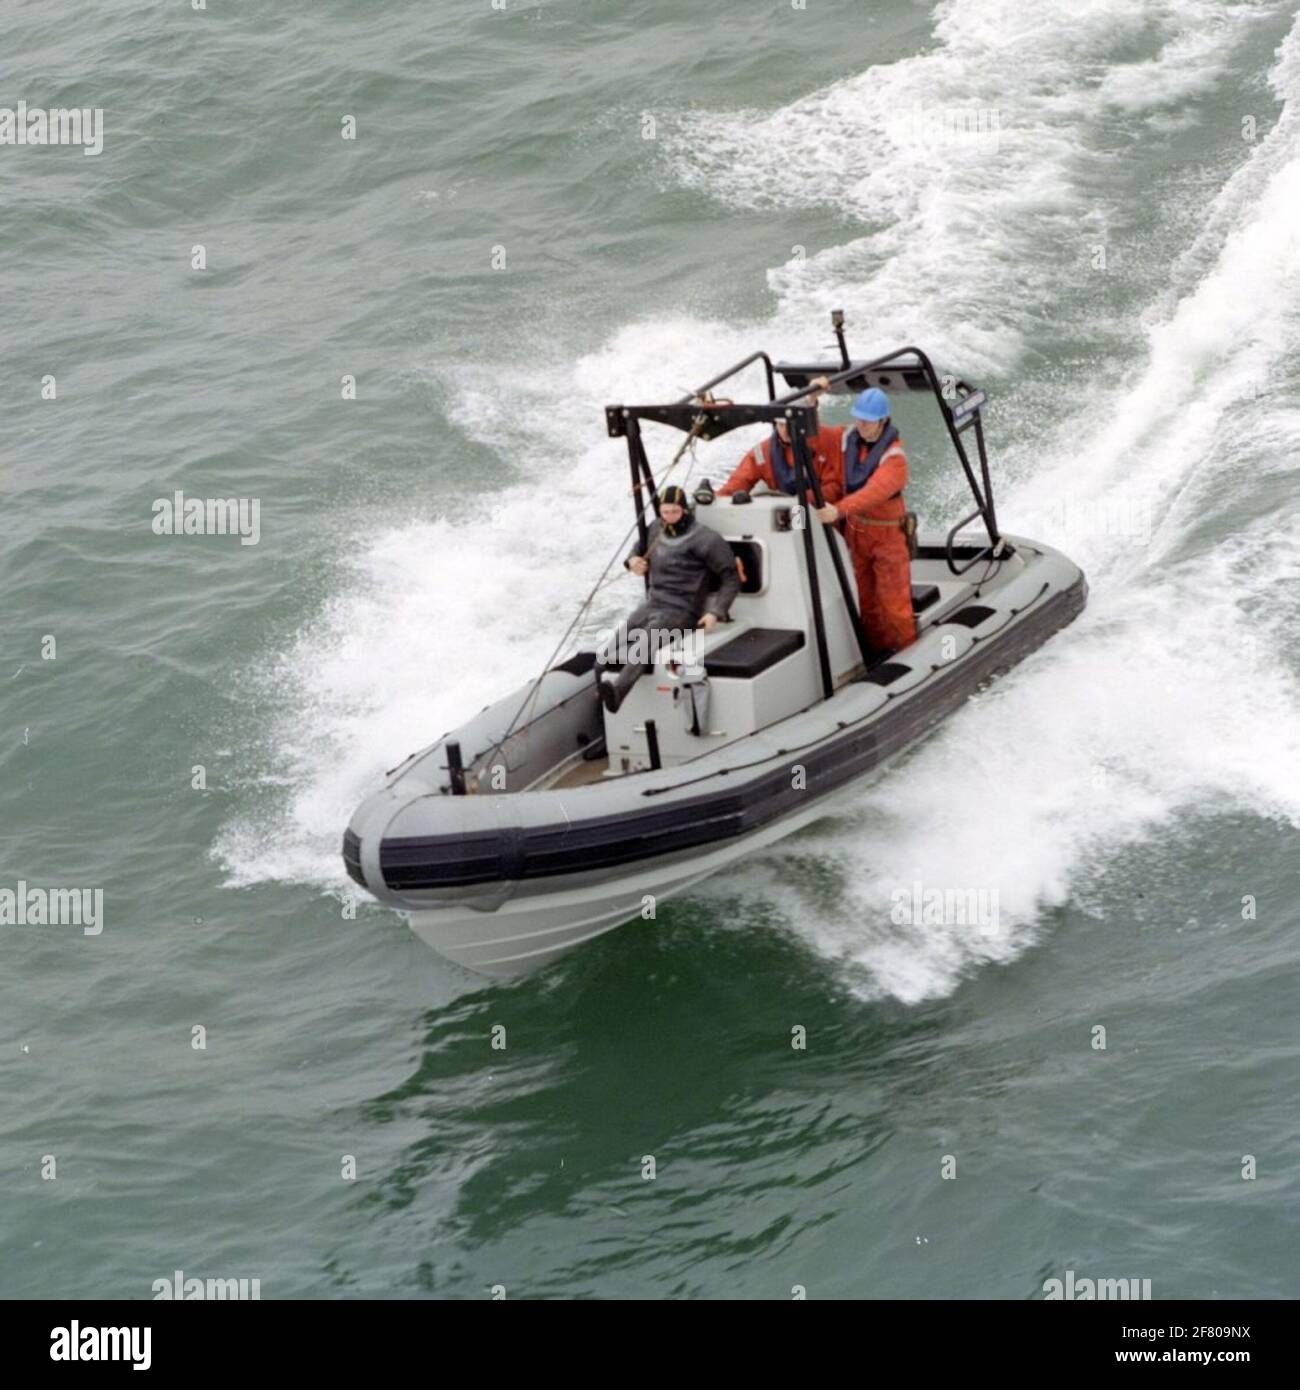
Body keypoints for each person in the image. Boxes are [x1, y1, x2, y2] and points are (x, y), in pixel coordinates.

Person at [597, 484, 739, 714]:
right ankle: (600, 707)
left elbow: (730, 577)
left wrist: (716, 611)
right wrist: (632, 561)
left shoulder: (705, 539)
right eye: (665, 512)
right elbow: (636, 551)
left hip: (682, 610)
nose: (670, 518)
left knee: (646, 643)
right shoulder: (654, 529)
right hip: (653, 603)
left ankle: (617, 694)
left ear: (684, 510)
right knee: (609, 650)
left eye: (674, 512)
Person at [814, 387, 917, 656]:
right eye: (858, 418)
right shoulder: (848, 438)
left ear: (882, 421)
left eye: (867, 420)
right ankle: (877, 656)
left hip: (888, 539)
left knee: (894, 606)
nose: (860, 424)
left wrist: (838, 511)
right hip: (858, 536)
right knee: (866, 605)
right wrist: (809, 405)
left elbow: (873, 493)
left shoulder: (895, 460)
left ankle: (910, 653)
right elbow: (815, 437)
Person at [717, 377, 843, 504]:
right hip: (786, 514)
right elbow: (739, 481)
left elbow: (835, 486)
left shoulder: (828, 441)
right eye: (781, 425)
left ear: (803, 422)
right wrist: (717, 500)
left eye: (789, 425)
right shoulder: (762, 453)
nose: (785, 431)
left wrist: (801, 501)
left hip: (822, 514)